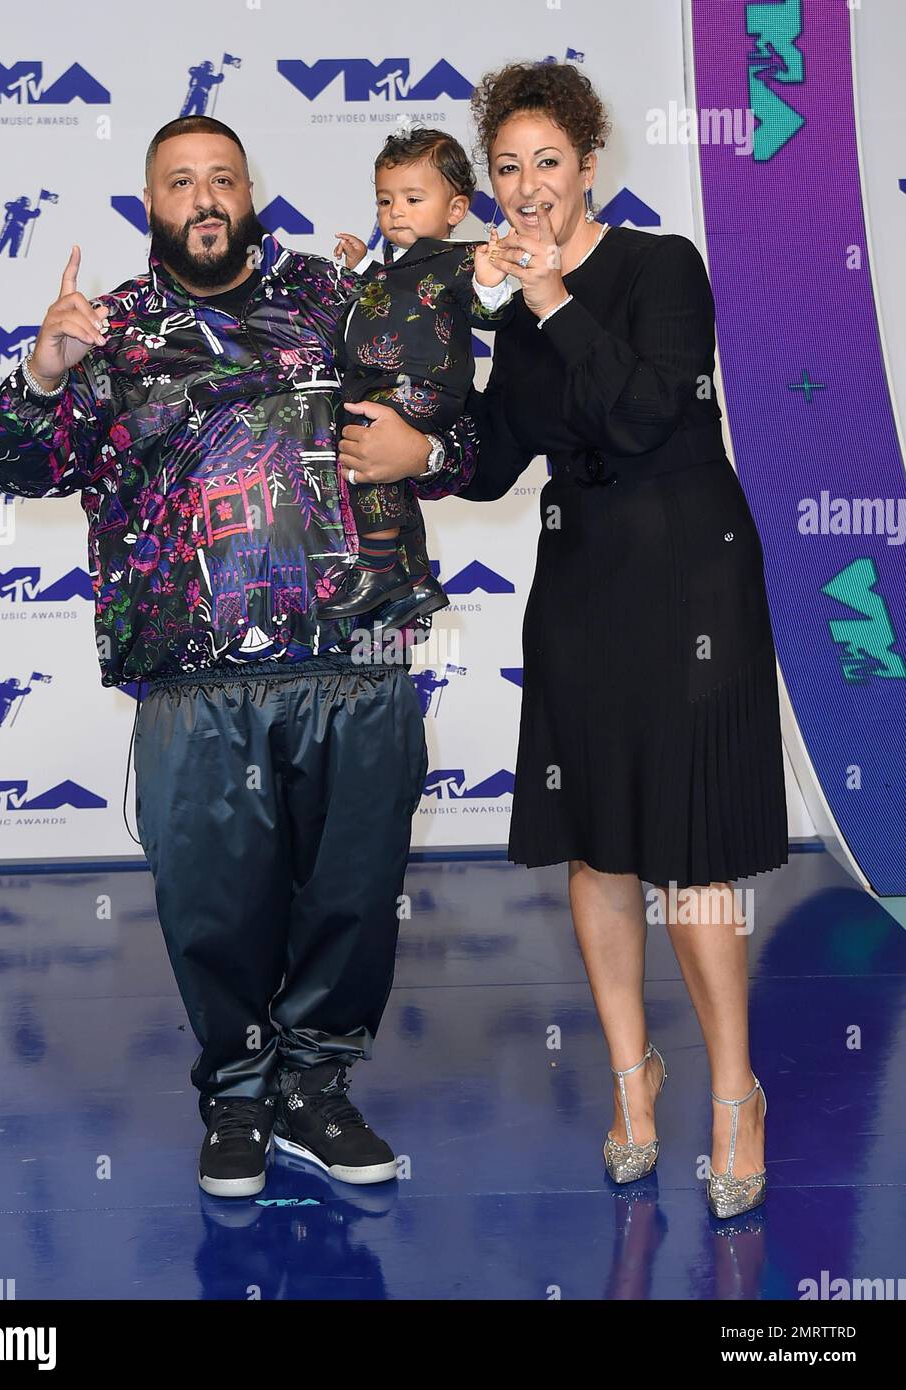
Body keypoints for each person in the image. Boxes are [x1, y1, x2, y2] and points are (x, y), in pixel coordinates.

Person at [0, 114, 477, 1199]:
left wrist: (426, 448)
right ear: (149, 204)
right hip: (193, 678)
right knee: (215, 906)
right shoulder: (107, 328)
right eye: (177, 184)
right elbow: (15, 461)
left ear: (250, 192)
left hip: (360, 650)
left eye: (221, 179)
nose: (202, 199)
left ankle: (316, 1089)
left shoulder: (339, 299)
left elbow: (460, 434)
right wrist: (46, 367)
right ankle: (240, 1092)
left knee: (352, 892)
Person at [336, 61, 789, 1221]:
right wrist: (409, 430)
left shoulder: (655, 265)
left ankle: (733, 1092)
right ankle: (633, 1082)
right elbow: (493, 453)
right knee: (598, 844)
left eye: (546, 163)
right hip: (580, 578)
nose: (526, 187)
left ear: (587, 164)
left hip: (689, 575)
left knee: (692, 850)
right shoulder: (501, 295)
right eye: (504, 169)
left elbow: (645, 413)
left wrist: (544, 300)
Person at [317, 125, 514, 624]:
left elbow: (491, 313)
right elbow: (379, 303)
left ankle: (379, 567)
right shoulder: (390, 265)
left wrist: (491, 282)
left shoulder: (461, 257)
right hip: (380, 387)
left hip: (423, 387)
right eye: (385, 201)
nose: (394, 211)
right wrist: (363, 269)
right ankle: (417, 581)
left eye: (411, 198)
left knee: (369, 452)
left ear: (454, 209)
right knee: (389, 471)